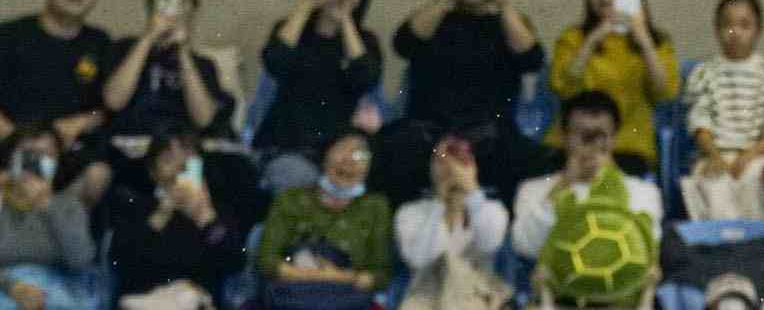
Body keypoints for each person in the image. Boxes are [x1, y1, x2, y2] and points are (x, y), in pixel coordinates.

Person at [377, 0, 545, 207]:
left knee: (532, 162)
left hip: (490, 135)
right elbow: (404, 43)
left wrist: (503, 4)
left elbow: (532, 58)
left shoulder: (507, 22)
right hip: (428, 133)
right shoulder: (434, 18)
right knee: (388, 154)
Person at [255, 0, 383, 193]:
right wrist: (308, 3)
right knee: (309, 188)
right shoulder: (292, 30)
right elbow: (275, 60)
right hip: (287, 147)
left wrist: (345, 20)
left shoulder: (365, 41)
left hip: (339, 154)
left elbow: (365, 77)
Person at [548, 0, 679, 178]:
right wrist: (592, 40)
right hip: (572, 145)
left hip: (627, 146)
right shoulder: (573, 38)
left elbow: (665, 92)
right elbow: (564, 88)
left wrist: (645, 43)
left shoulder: (657, 42)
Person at [511, 93, 661, 287]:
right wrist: (565, 184)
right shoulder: (533, 190)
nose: (591, 143)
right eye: (581, 134)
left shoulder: (644, 191)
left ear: (613, 139)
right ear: (564, 137)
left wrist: (609, 179)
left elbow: (643, 249)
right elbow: (527, 246)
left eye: (600, 134)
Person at [0, 0, 111, 195]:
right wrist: (14, 137)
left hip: (67, 151)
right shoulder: (9, 36)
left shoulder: (100, 43)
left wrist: (80, 122)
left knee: (97, 174)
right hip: (9, 144)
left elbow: (105, 108)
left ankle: (63, 228)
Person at [680, 0, 764, 222]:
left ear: (758, 30)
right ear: (716, 29)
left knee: (762, 174)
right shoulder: (706, 74)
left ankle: (756, 240)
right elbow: (699, 121)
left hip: (757, 153)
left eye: (744, 25)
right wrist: (715, 156)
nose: (735, 32)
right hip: (715, 153)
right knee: (714, 183)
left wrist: (749, 156)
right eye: (727, 25)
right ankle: (720, 242)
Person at [110, 128, 254, 304]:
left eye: (187, 164)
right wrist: (163, 212)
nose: (178, 168)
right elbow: (123, 263)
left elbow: (235, 262)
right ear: (152, 170)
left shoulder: (217, 212)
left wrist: (205, 217)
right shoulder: (135, 206)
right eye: (169, 160)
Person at [257, 131, 392, 306]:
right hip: (291, 296)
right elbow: (267, 261)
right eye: (342, 150)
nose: (348, 160)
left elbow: (380, 275)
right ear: (325, 155)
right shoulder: (291, 198)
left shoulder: (376, 206)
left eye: (359, 154)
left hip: (346, 300)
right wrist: (320, 276)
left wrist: (337, 277)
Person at [103, 0, 233, 143]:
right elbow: (113, 101)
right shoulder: (123, 49)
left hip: (181, 149)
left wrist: (183, 51)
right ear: (150, 5)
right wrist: (149, 36)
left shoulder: (203, 64)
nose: (173, 9)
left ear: (193, 9)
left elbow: (204, 120)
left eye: (183, 1)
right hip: (129, 146)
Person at [393, 136, 511, 299]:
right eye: (442, 161)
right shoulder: (410, 212)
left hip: (476, 299)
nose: (451, 167)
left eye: (459, 159)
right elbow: (419, 259)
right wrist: (439, 202)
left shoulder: (492, 209)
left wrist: (471, 189)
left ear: (473, 166)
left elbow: (489, 243)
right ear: (431, 168)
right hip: (427, 299)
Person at [0, 122, 98, 309]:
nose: (36, 161)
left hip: (55, 287)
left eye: (47, 154)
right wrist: (13, 287)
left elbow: (80, 261)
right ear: (12, 158)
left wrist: (48, 205)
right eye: (29, 154)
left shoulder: (68, 204)